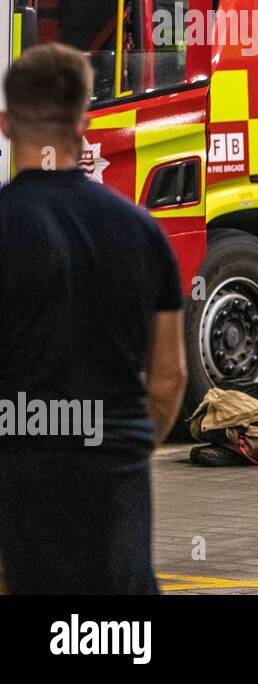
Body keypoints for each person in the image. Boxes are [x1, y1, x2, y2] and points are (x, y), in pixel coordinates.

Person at [0, 43, 187, 594]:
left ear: (7, 124)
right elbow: (169, 376)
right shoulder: (140, 231)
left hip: (21, 465)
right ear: (84, 120)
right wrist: (125, 442)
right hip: (116, 462)